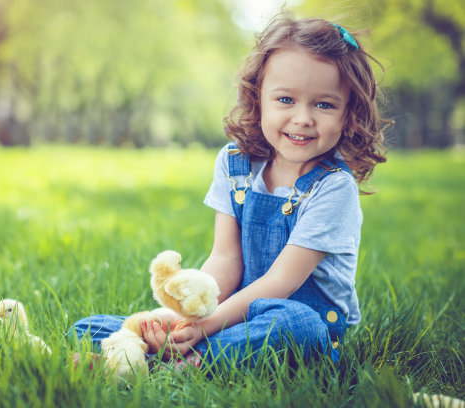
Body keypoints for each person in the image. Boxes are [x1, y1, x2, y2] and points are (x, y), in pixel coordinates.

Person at [72, 13, 387, 370]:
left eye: (324, 104)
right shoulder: (236, 165)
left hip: (294, 321)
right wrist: (188, 319)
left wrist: (207, 328)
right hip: (231, 316)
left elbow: (281, 281)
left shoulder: (333, 188)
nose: (303, 118)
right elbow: (226, 259)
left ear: (349, 114)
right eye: (286, 99)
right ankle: (154, 350)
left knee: (298, 326)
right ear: (258, 99)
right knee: (87, 327)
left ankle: (172, 364)